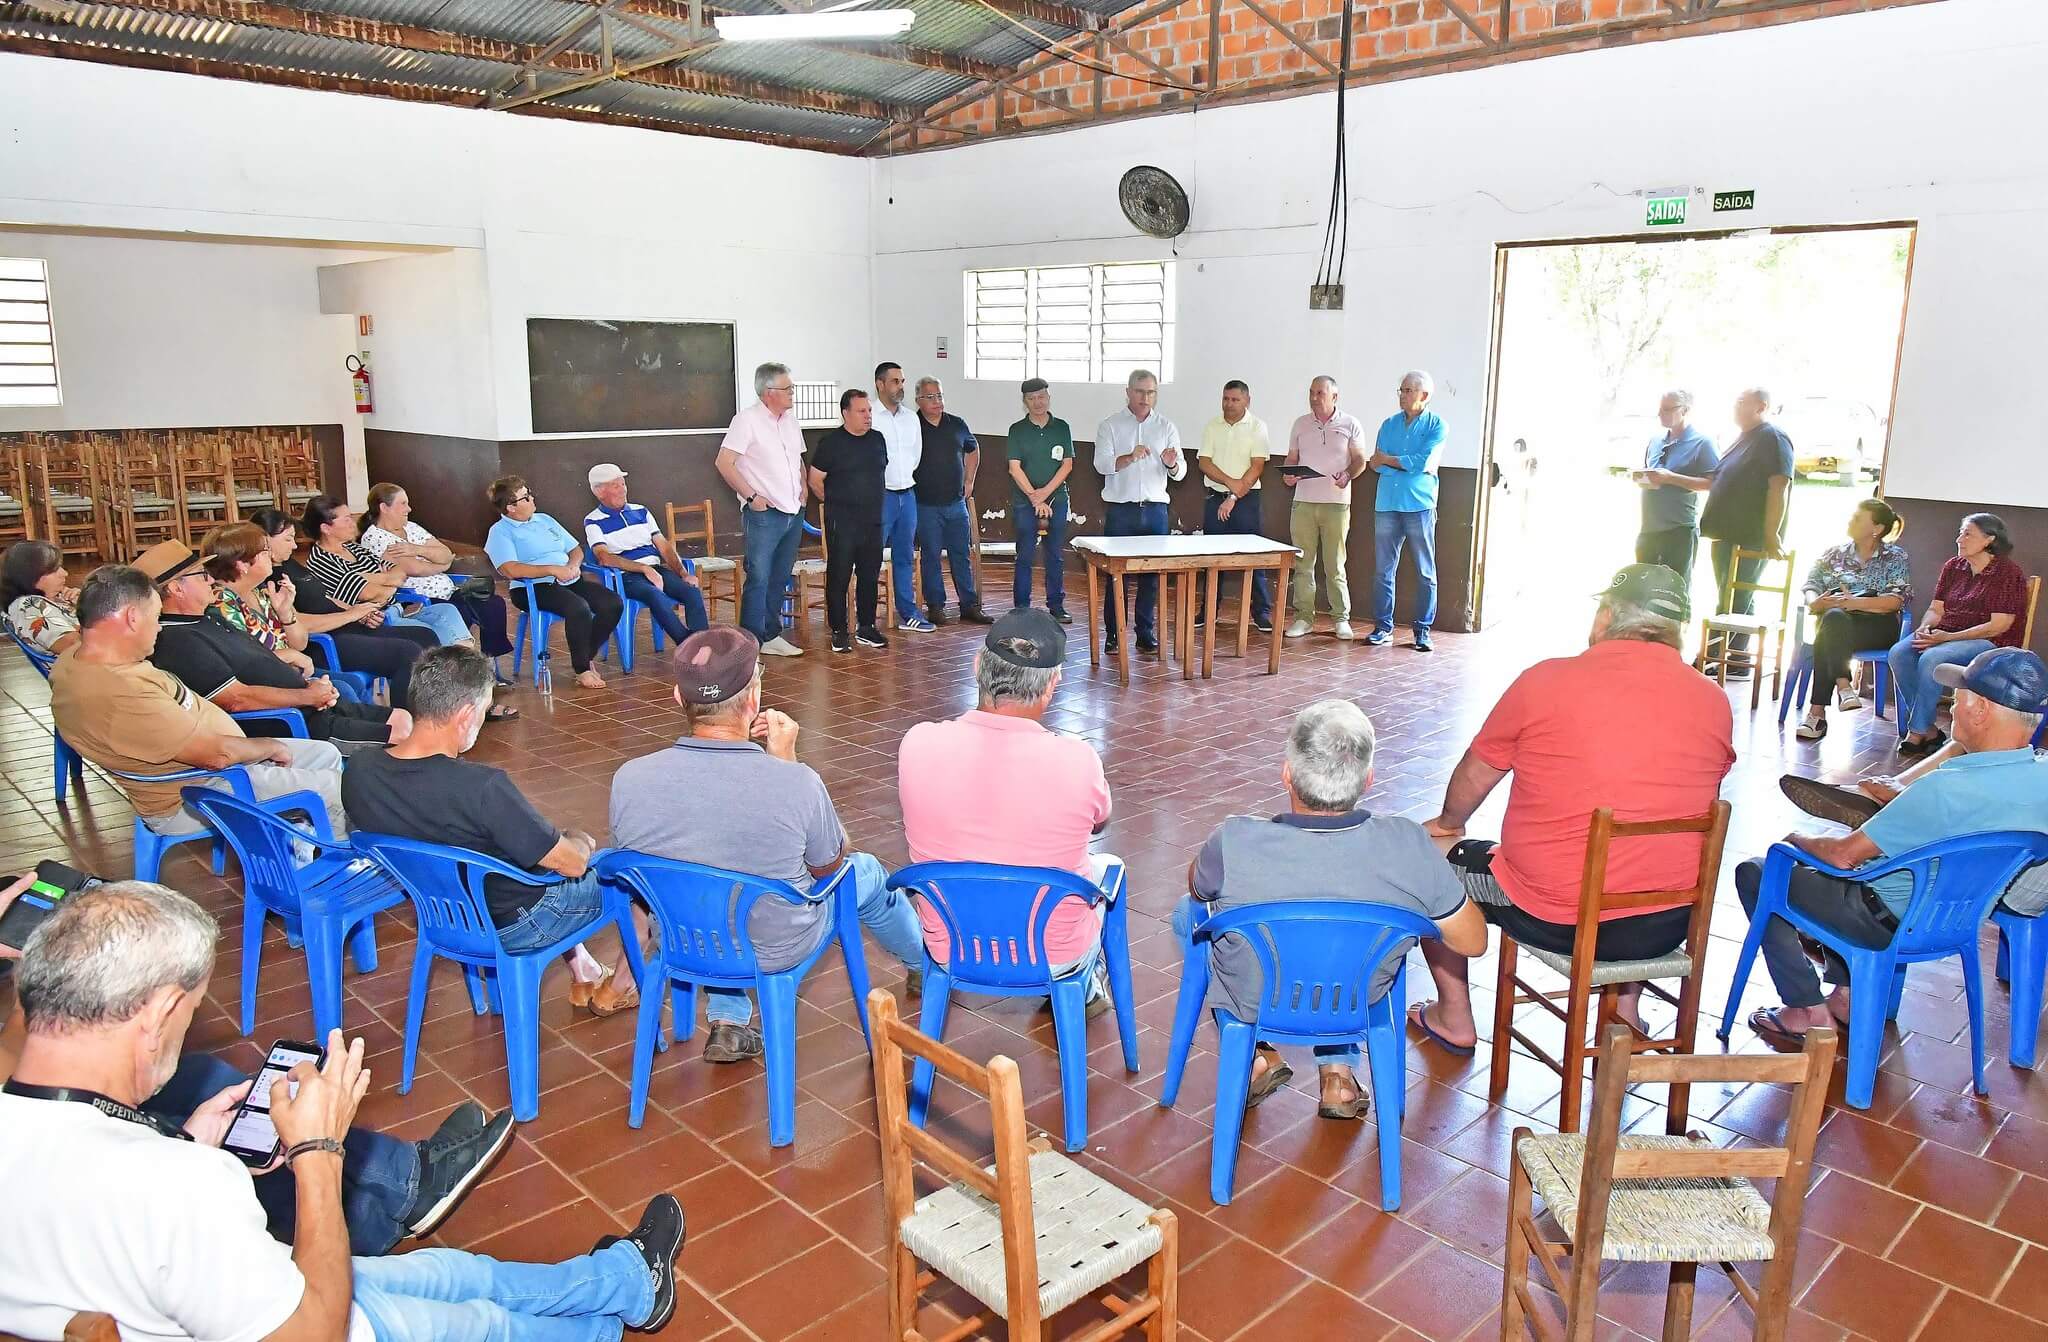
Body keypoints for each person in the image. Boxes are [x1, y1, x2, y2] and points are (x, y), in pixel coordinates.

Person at [0, 881, 686, 1340]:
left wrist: (191, 1142)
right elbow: (316, 1331)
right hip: (296, 1320)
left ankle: (625, 1283)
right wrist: (319, 1153)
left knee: (455, 1274)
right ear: (159, 1014)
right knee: (481, 1321)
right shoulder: (179, 1191)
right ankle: (607, 1312)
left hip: (209, 1298)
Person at [1410, 564, 1735, 1053]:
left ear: (1605, 618)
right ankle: (1623, 1014)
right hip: (1668, 920)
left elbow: (1477, 773)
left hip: (1558, 916)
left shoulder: (1546, 681)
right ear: (1676, 631)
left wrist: (1450, 823)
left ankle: (1454, 1015)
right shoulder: (1714, 700)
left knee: (1429, 868)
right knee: (1638, 850)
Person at [610, 627, 926, 1062]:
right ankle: (922, 965)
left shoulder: (629, 778)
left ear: (679, 700)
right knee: (865, 870)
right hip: (775, 944)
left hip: (683, 936)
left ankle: (728, 1018)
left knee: (711, 878)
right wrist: (787, 761)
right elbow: (832, 864)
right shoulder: (794, 782)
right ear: (754, 698)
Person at [1181, 701, 1486, 1118]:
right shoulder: (1407, 845)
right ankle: (1339, 1075)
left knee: (1189, 917)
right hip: (1357, 998)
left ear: (1287, 773)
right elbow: (1473, 941)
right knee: (1344, 943)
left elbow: (1198, 889)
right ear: (1369, 780)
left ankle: (1257, 1055)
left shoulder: (1232, 840)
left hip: (1258, 997)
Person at [1737, 648, 2048, 1051]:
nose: (1949, 704)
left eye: (1958, 695)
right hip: (1959, 923)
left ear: (1981, 709)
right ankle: (1848, 998)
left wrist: (1796, 839)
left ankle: (1805, 1009)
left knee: (1763, 871)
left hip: (1885, 918)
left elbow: (1843, 855)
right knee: (1847, 876)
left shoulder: (1944, 788)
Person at [342, 645, 646, 1016]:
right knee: (636, 878)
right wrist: (580, 840)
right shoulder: (481, 787)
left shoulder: (358, 772)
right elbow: (572, 866)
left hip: (443, 916)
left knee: (529, 853)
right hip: (518, 922)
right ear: (466, 714)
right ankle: (620, 988)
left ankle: (583, 968)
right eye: (485, 712)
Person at [898, 608, 1117, 1013]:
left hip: (951, 943)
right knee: (1106, 865)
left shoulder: (916, 744)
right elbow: (1099, 819)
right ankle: (1082, 991)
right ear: (1053, 684)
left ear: (978, 664)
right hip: (1050, 952)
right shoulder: (1078, 760)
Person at [49, 564, 350, 841]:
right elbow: (215, 756)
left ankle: (306, 840)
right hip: (197, 790)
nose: (159, 628)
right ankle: (334, 866)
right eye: (155, 618)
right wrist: (269, 747)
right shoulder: (120, 691)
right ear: (131, 617)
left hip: (213, 767)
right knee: (338, 790)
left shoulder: (75, 660)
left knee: (324, 754)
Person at [138, 538, 411, 750]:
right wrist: (307, 695)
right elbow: (236, 700)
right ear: (176, 589)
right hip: (292, 722)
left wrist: (297, 668)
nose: (211, 578)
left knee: (403, 718)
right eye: (201, 575)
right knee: (405, 736)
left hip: (311, 703)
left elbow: (253, 656)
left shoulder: (206, 618)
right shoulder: (179, 641)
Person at [1654, 387, 1794, 676]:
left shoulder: (1772, 438)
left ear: (1761, 407)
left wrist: (1772, 534)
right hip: (1727, 533)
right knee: (1729, 594)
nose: (1735, 407)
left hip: (1750, 534)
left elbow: (1779, 485)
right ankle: (1736, 657)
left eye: (1742, 403)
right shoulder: (1743, 438)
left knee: (1735, 597)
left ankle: (1716, 657)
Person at [251, 507, 440, 712]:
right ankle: (412, 719)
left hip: (344, 626)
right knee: (407, 652)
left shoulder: (290, 564)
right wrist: (349, 615)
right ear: (265, 541)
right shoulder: (268, 578)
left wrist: (358, 612)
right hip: (325, 641)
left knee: (425, 636)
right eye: (288, 539)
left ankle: (438, 706)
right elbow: (298, 621)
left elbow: (324, 597)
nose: (295, 545)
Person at [1888, 512, 2031, 755]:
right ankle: (1930, 731)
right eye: (1961, 533)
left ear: (1989, 540)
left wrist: (1946, 638)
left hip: (1990, 642)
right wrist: (1926, 628)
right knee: (1899, 653)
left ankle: (1917, 732)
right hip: (1946, 632)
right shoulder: (1954, 566)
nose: (1959, 539)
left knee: (1933, 659)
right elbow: (1936, 609)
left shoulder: (2008, 572)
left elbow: (2000, 625)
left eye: (1967, 534)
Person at [484, 474, 626, 690]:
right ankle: (582, 670)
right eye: (525, 497)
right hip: (532, 586)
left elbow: (575, 549)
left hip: (567, 578)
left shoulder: (545, 520)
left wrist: (573, 565)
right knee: (579, 608)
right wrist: (551, 569)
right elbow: (509, 569)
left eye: (529, 494)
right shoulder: (500, 532)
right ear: (510, 507)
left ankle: (585, 654)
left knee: (612, 603)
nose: (532, 499)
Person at [361, 482, 514, 671]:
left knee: (494, 604)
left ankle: (489, 665)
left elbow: (446, 553)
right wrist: (439, 562)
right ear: (384, 507)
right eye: (403, 503)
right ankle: (461, 670)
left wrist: (415, 549)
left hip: (449, 589)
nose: (409, 508)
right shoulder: (375, 537)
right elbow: (414, 568)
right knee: (460, 611)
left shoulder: (412, 527)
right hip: (418, 597)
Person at [1793, 498, 1911, 741]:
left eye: (1858, 518)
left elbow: (1895, 601)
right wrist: (1815, 601)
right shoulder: (1834, 553)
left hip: (1877, 626)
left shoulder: (1895, 557)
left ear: (1876, 529)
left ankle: (1817, 715)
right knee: (1833, 620)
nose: (1850, 520)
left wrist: (1854, 603)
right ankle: (1844, 686)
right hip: (1836, 623)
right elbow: (1811, 584)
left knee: (1828, 633)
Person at [716, 361, 809, 656]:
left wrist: (804, 488)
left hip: (793, 510)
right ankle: (751, 641)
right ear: (769, 392)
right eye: (787, 388)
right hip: (764, 513)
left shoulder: (791, 421)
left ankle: (770, 634)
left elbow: (798, 460)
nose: (792, 393)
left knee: (780, 575)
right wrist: (751, 496)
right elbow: (723, 463)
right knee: (759, 576)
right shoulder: (746, 421)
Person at [302, 495, 473, 649]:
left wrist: (372, 578)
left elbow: (399, 574)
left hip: (394, 610)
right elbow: (371, 593)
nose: (353, 523)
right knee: (430, 633)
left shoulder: (353, 548)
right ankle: (460, 673)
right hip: (371, 621)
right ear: (326, 528)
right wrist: (386, 581)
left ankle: (465, 669)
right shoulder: (322, 561)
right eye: (346, 519)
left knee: (447, 611)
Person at [1094, 369, 1185, 655]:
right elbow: (1102, 465)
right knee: (1115, 576)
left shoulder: (1167, 427)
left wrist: (1171, 464)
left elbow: (1180, 472)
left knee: (1150, 576)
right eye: (1140, 391)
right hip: (1121, 511)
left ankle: (1144, 632)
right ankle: (1113, 633)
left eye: (1151, 392)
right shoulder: (1110, 425)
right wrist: (1129, 457)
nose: (1145, 398)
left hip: (1155, 510)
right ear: (1128, 392)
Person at [582, 463, 709, 649]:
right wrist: (643, 568)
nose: (623, 490)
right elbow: (604, 557)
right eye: (616, 485)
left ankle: (703, 645)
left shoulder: (641, 511)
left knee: (691, 591)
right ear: (599, 492)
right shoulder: (593, 520)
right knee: (654, 594)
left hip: (656, 570)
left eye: (623, 484)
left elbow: (664, 547)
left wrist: (683, 574)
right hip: (627, 576)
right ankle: (688, 646)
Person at [1281, 375, 1369, 641]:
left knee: (1335, 564)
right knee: (1303, 563)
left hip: (1336, 505)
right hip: (1303, 502)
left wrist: (1348, 475)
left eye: (1320, 393)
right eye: (1311, 392)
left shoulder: (1350, 424)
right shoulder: (1300, 424)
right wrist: (1289, 474)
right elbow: (1292, 458)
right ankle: (1303, 617)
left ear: (1334, 397)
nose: (1314, 397)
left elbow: (1359, 460)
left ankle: (1341, 618)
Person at [1366, 370, 1447, 651]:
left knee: (1425, 571)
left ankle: (1422, 631)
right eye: (1401, 390)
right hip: (1387, 503)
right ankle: (1382, 627)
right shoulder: (1388, 424)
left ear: (1424, 396)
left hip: (1420, 504)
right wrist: (1395, 461)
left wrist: (1389, 460)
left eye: (1408, 390)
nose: (1402, 395)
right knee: (1383, 570)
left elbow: (1422, 462)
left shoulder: (1437, 426)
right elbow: (1374, 463)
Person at [808, 390, 890, 654]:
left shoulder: (877, 440)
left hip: (873, 522)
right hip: (842, 524)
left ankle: (866, 627)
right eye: (861, 411)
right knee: (839, 577)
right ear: (845, 413)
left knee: (869, 575)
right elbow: (815, 480)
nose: (868, 416)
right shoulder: (831, 443)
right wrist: (836, 505)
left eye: (869, 411)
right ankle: (839, 630)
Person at [912, 376, 992, 627]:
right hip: (924, 504)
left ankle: (969, 605)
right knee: (931, 555)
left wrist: (969, 481)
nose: (937, 401)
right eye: (930, 397)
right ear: (918, 400)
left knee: (961, 554)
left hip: (955, 503)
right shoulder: (912, 425)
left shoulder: (956, 424)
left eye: (939, 396)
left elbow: (973, 449)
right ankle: (935, 606)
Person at [1196, 379, 1272, 634]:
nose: (1229, 404)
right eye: (1226, 399)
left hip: (1246, 500)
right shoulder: (1212, 425)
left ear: (1247, 401)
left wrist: (1234, 495)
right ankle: (1208, 611)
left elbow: (1257, 466)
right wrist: (1230, 485)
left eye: (1235, 400)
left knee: (1254, 556)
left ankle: (1261, 612)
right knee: (1211, 557)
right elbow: (1204, 462)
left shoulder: (1258, 427)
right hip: (1216, 497)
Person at [1630, 389, 1718, 580]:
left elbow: (1711, 483)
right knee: (1643, 587)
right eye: (1660, 409)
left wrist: (1670, 478)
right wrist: (1641, 478)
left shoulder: (1703, 442)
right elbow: (1651, 474)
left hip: (1679, 529)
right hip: (1649, 527)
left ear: (1685, 410)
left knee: (1675, 587)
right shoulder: (1655, 441)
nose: (1661, 414)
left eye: (1667, 409)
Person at [1006, 377, 1075, 623]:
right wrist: (1035, 499)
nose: (1038, 402)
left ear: (1049, 397)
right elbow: (1015, 468)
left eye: (1042, 397)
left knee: (1055, 553)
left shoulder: (1062, 427)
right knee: (1024, 553)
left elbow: (1067, 465)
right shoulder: (1017, 430)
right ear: (1025, 402)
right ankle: (1021, 607)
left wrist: (1044, 494)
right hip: (1025, 500)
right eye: (1032, 398)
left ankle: (1056, 605)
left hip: (1056, 498)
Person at [873, 361, 931, 633]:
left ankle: (908, 613)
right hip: (879, 496)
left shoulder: (911, 418)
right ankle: (866, 616)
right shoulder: (870, 416)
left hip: (907, 494)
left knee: (905, 555)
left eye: (903, 381)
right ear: (880, 384)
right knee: (871, 556)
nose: (901, 386)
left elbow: (915, 457)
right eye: (895, 381)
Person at [1, 540, 79, 655]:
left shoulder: (52, 599)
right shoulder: (30, 606)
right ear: (29, 575)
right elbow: (76, 648)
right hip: (93, 669)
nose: (65, 573)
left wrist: (85, 604)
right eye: (54, 569)